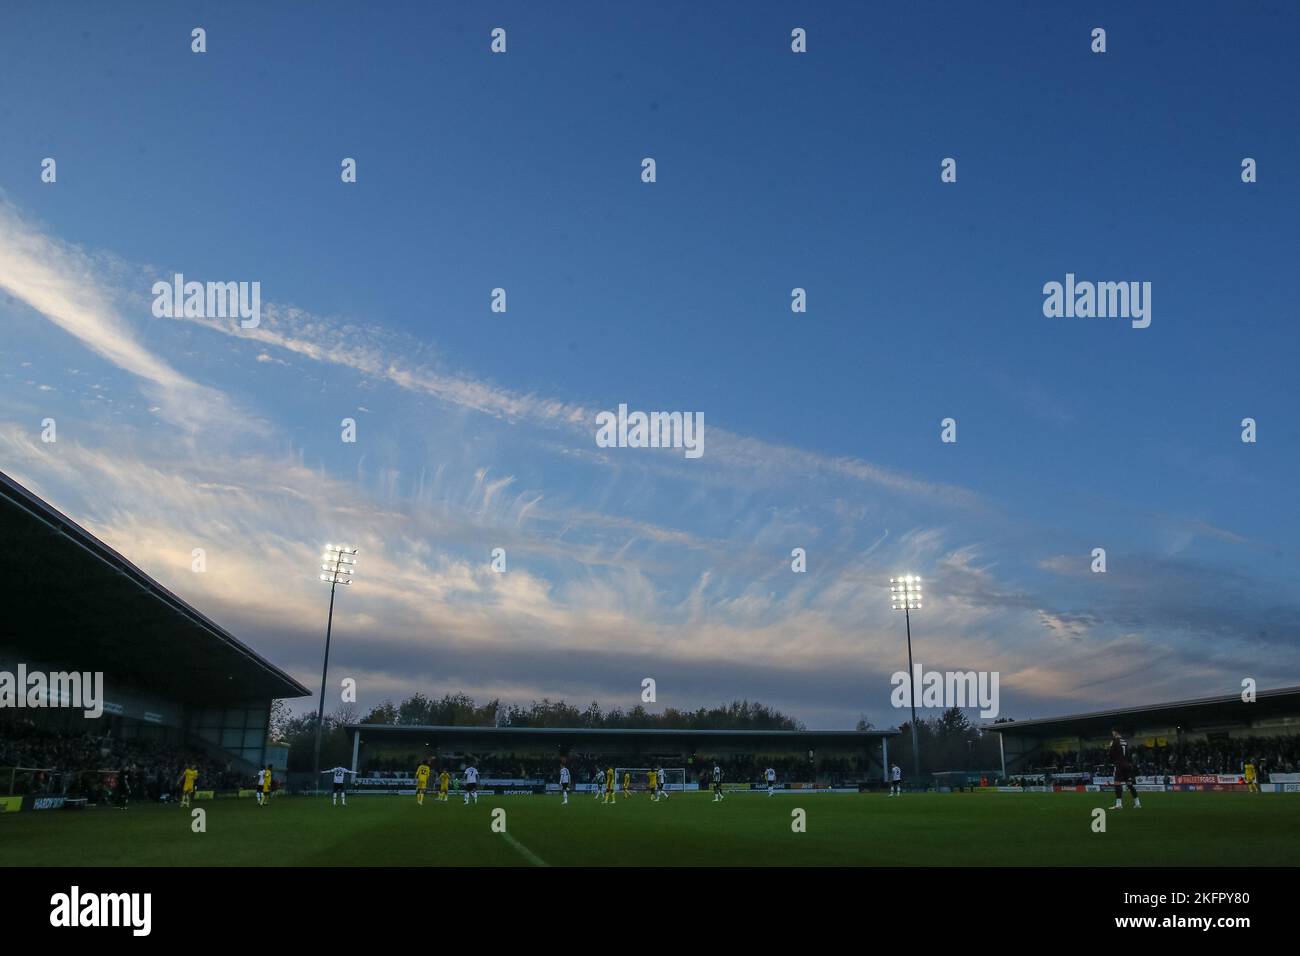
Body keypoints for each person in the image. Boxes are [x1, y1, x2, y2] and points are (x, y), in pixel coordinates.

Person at [1109, 729, 1141, 809]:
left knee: (1117, 783)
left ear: (1116, 732)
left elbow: (1111, 754)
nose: (1112, 733)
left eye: (1113, 731)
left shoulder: (1114, 741)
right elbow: (1128, 753)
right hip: (1127, 764)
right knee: (1129, 784)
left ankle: (1119, 804)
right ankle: (1137, 803)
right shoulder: (1125, 741)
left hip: (1119, 764)